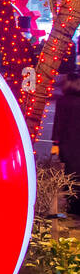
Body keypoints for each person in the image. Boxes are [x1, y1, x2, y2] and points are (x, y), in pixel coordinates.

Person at [53, 74, 80, 214]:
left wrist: (55, 143)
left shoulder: (63, 101)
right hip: (73, 144)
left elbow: (58, 124)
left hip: (68, 145)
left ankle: (72, 205)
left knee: (70, 174)